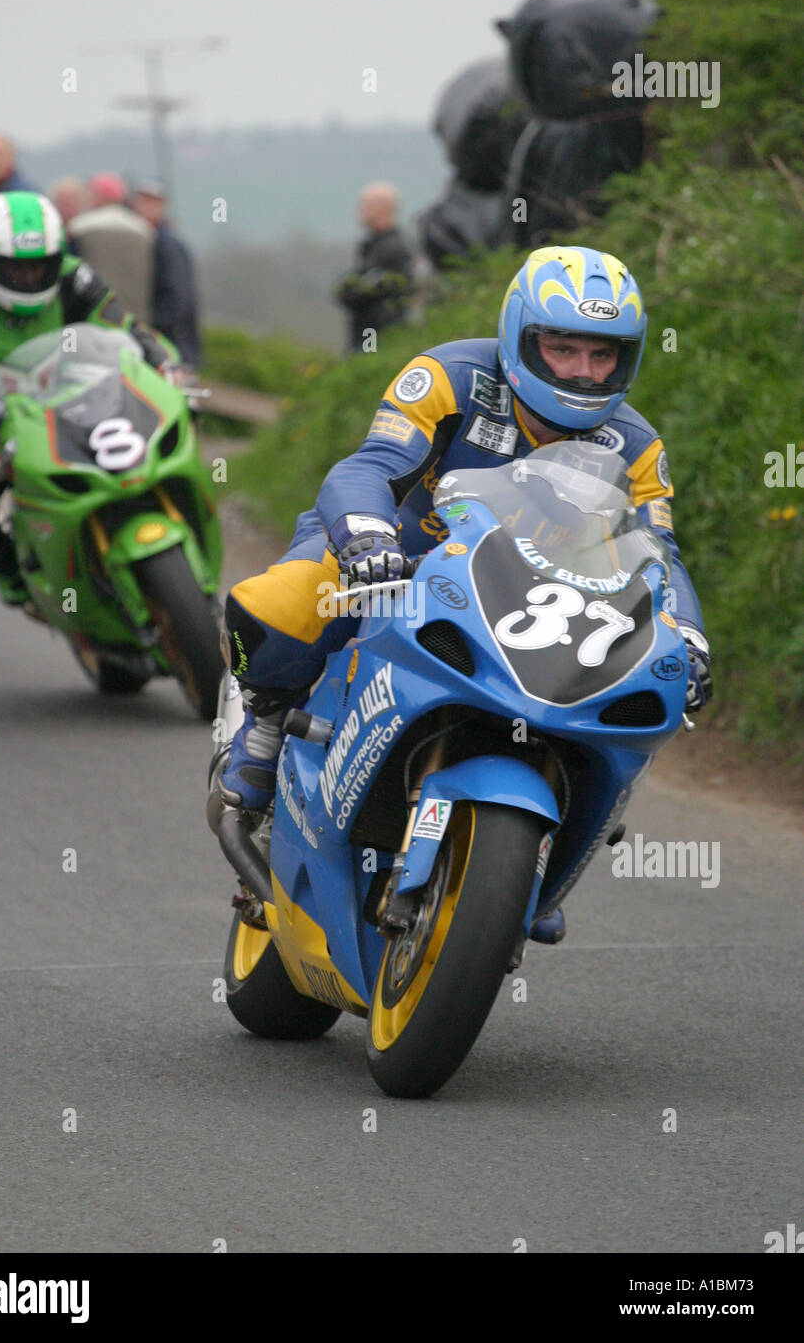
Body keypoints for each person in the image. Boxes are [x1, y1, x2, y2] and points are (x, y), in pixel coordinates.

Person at [219, 244, 712, 939]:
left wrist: (686, 633)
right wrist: (364, 535)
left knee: (640, 693)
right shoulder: (447, 375)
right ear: (519, 338)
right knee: (289, 598)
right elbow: (371, 467)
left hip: (539, 593)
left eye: (604, 356)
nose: (582, 372)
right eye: (563, 349)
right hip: (398, 557)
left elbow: (658, 553)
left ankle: (536, 859)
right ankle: (265, 722)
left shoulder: (637, 447)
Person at [0, 191, 177, 604]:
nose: (29, 277)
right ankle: (14, 565)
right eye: (15, 267)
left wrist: (165, 363)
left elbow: (127, 327)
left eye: (40, 266)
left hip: (74, 403)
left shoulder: (75, 277)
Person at [130, 180, 202, 371]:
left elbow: (179, 297)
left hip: (172, 347)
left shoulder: (164, 244)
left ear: (161, 206)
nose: (143, 207)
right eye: (141, 201)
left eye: (150, 202)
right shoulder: (147, 239)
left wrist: (149, 327)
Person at [334, 182, 414, 352]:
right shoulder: (372, 245)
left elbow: (369, 290)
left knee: (368, 366)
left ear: (381, 209)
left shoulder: (393, 247)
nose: (359, 211)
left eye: (364, 206)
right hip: (366, 332)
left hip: (376, 334)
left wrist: (352, 290)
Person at [68, 173, 154, 323]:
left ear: (98, 197)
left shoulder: (79, 227)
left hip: (95, 319)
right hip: (135, 322)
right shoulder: (144, 230)